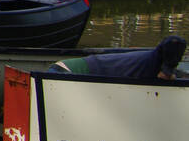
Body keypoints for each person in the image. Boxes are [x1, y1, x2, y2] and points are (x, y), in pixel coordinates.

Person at [50, 35, 186, 80]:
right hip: (68, 71)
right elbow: (174, 42)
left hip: (67, 68)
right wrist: (168, 72)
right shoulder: (151, 63)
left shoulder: (150, 58)